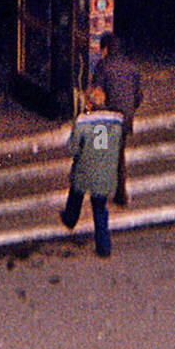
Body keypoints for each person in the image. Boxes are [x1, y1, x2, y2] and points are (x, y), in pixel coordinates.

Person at [60, 83, 123, 257]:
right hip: (105, 173)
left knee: (76, 194)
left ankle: (70, 219)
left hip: (85, 170)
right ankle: (103, 247)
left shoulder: (82, 125)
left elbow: (72, 149)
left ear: (89, 104)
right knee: (99, 209)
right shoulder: (116, 125)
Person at [91, 32, 142, 205]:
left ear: (105, 49)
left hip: (108, 117)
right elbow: (138, 96)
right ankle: (121, 193)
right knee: (119, 155)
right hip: (125, 118)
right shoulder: (131, 67)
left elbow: (97, 94)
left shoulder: (103, 66)